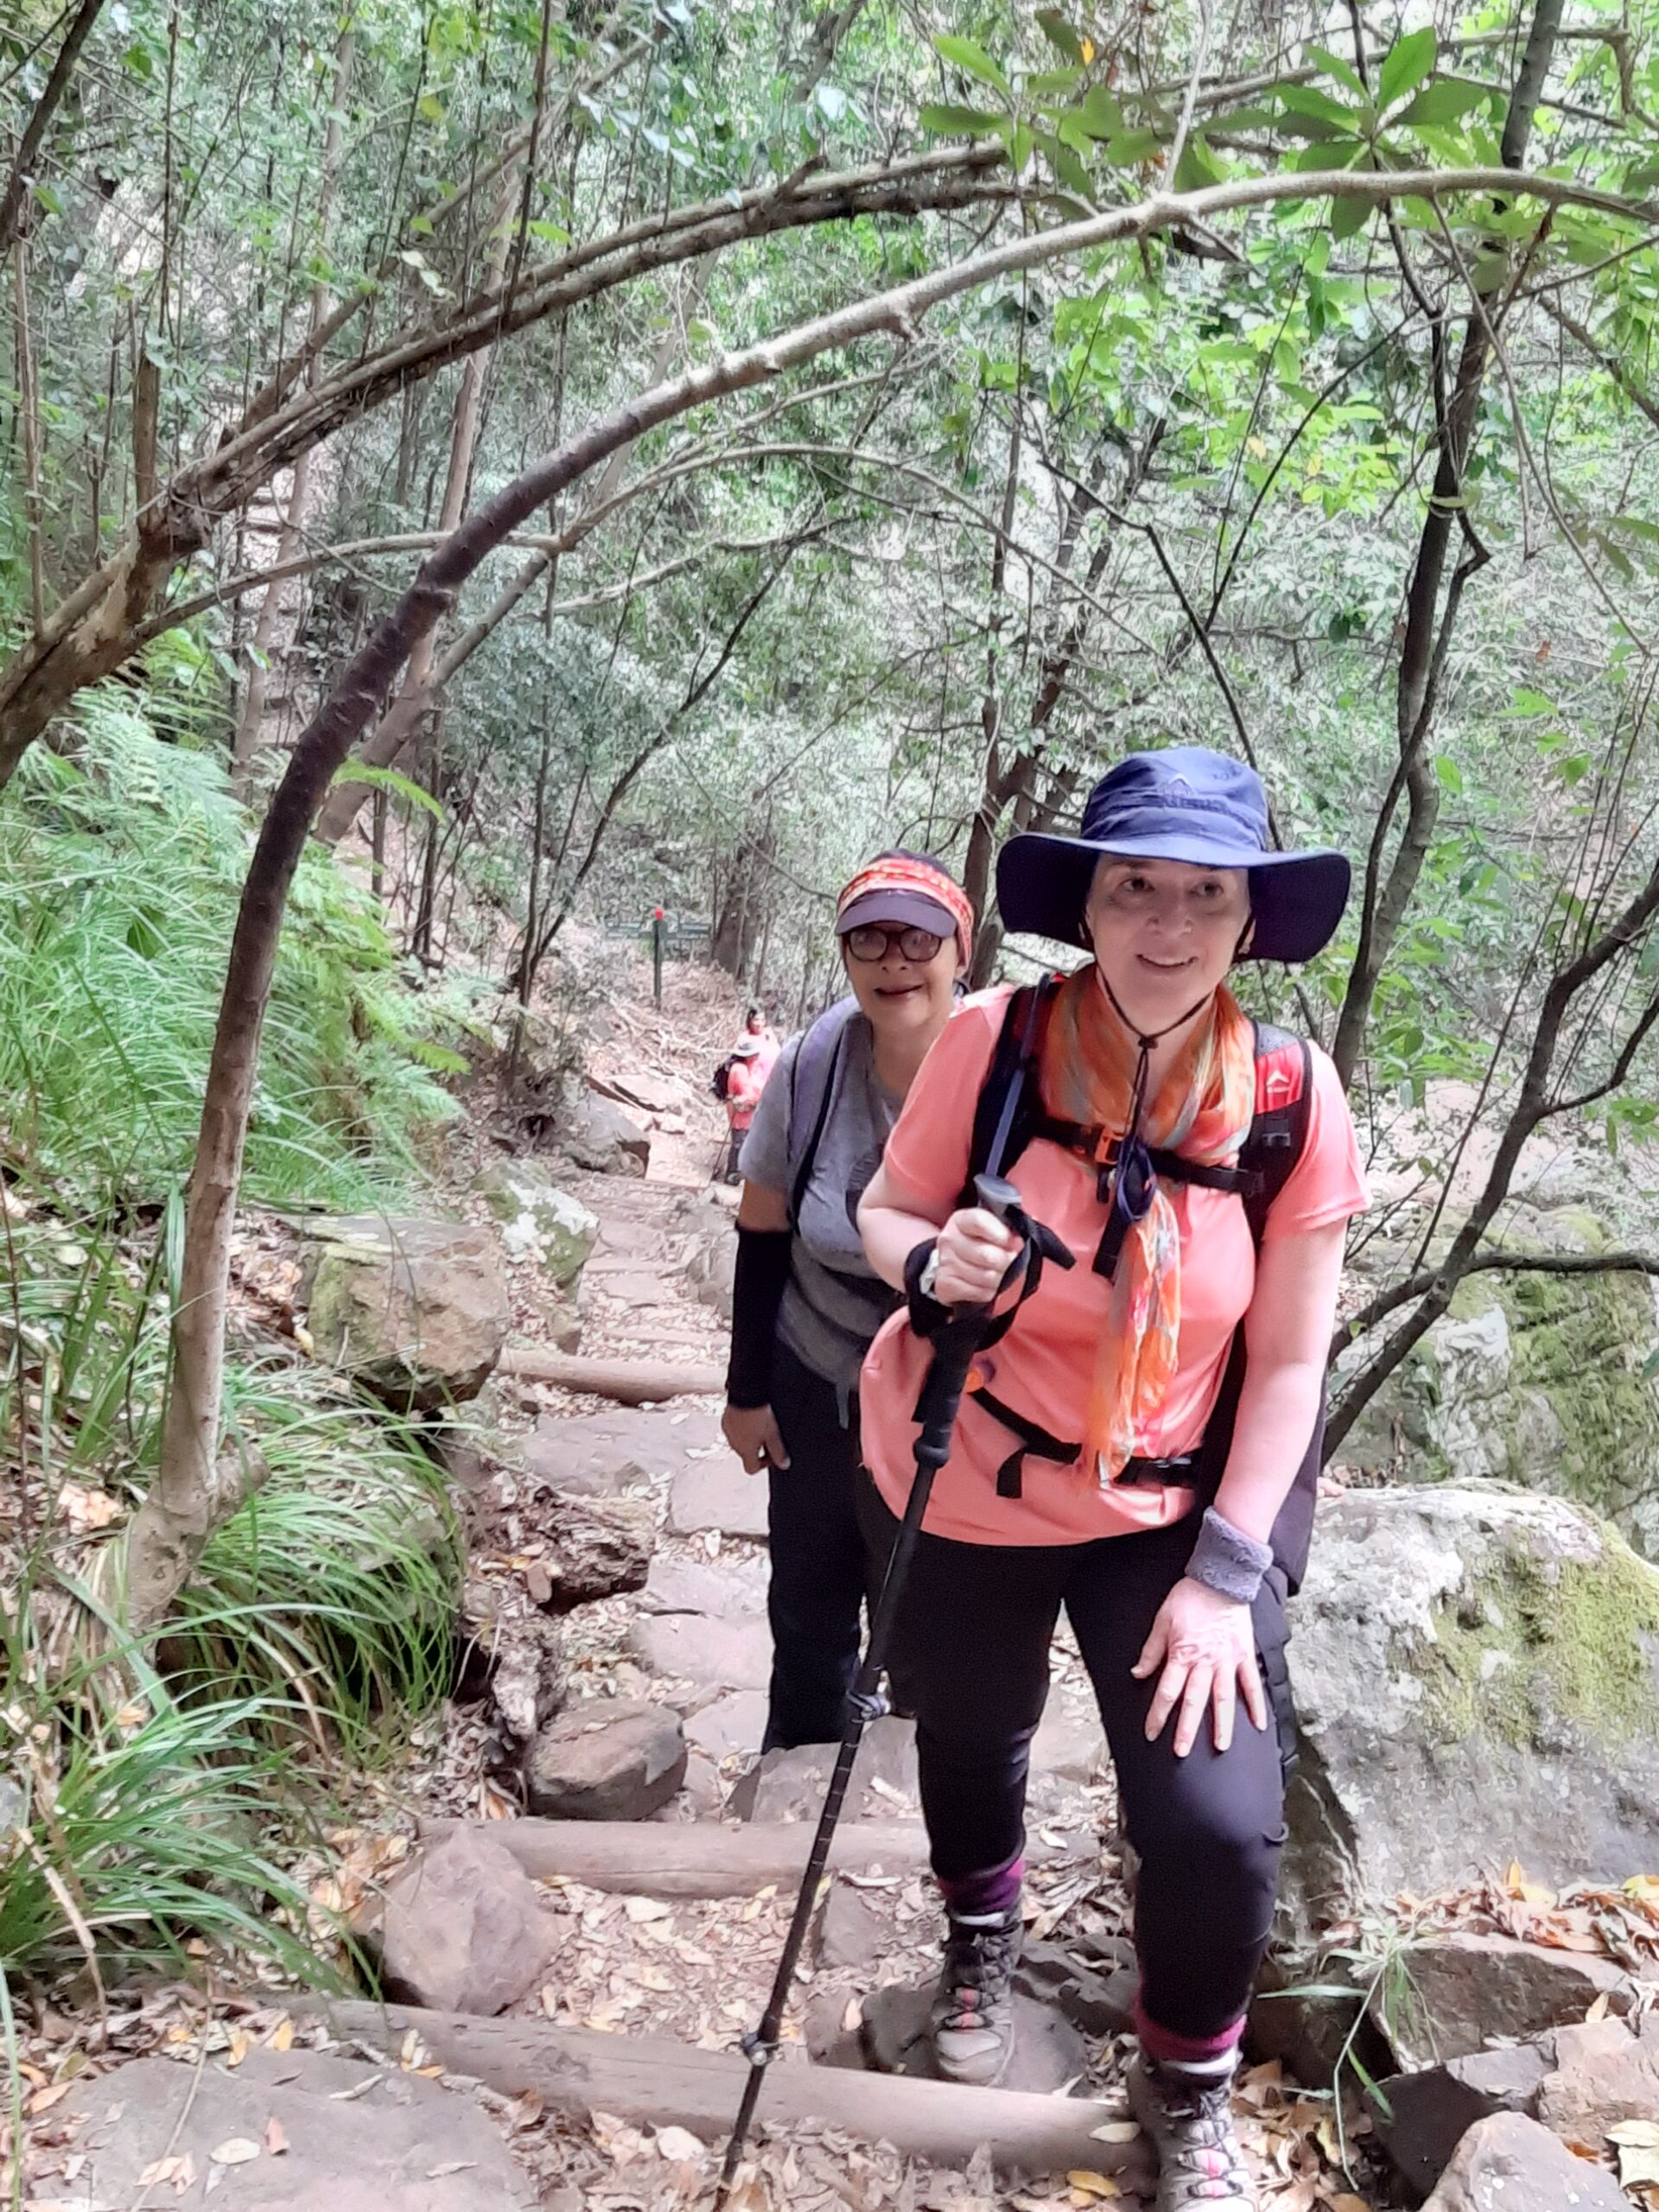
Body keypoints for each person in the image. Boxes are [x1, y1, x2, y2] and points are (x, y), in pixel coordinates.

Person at [855, 750, 1368, 2212]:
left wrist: (1225, 1580)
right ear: (1088, 900)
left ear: (1250, 920)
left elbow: (1283, 1368)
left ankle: (1188, 2073)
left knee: (1215, 1820)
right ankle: (981, 1929)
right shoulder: (994, 1044)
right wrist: (926, 1259)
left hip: (1171, 1503)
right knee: (968, 1731)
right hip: (969, 1466)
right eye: (1136, 884)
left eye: (1207, 893)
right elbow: (881, 1212)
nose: (1167, 922)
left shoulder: (1288, 1098)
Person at [722, 851, 974, 1752]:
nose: (894, 958)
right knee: (809, 1600)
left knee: (924, 1616)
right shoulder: (813, 1064)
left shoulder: (1004, 1073)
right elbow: (762, 1230)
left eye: (918, 935)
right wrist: (747, 1391)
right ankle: (793, 1777)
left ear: (959, 949)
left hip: (948, 1396)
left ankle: (919, 1803)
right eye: (870, 936)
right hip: (816, 1370)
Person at [720, 1035, 768, 1184]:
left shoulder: (742, 1068)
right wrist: (758, 1097)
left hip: (742, 1112)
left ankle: (735, 1172)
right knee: (739, 1143)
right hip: (741, 1113)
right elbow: (744, 1093)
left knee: (740, 1141)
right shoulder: (740, 1070)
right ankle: (733, 1173)